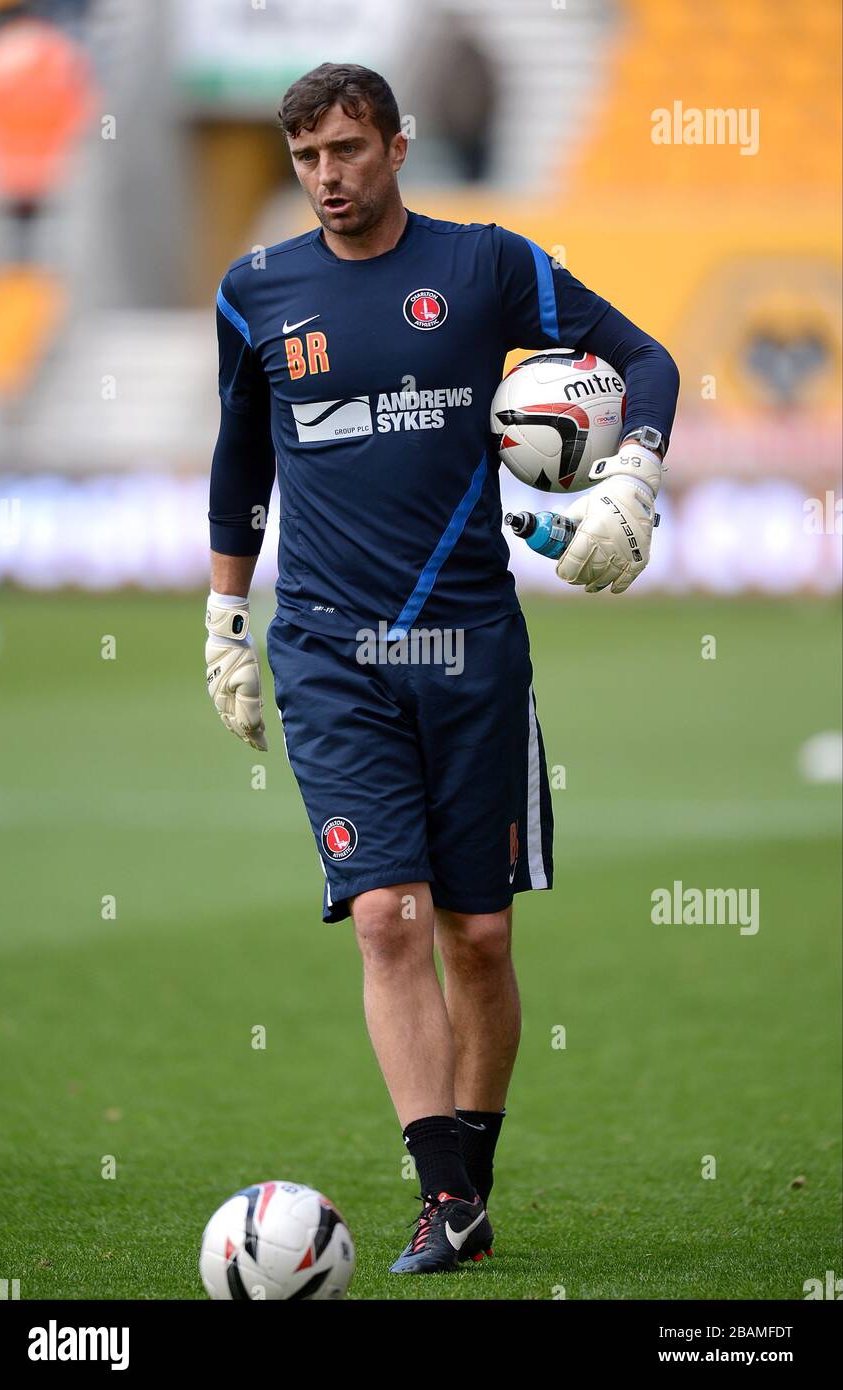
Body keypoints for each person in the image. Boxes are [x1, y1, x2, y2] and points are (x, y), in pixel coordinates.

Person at [205, 62, 679, 1276]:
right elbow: (237, 461)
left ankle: (465, 1185)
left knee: (476, 938)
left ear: (399, 146)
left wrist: (632, 473)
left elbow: (644, 358)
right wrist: (222, 621)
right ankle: (444, 1195)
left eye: (349, 151)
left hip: (469, 646)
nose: (328, 178)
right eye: (306, 158)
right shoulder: (255, 291)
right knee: (386, 918)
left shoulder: (486, 268)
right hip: (326, 647)